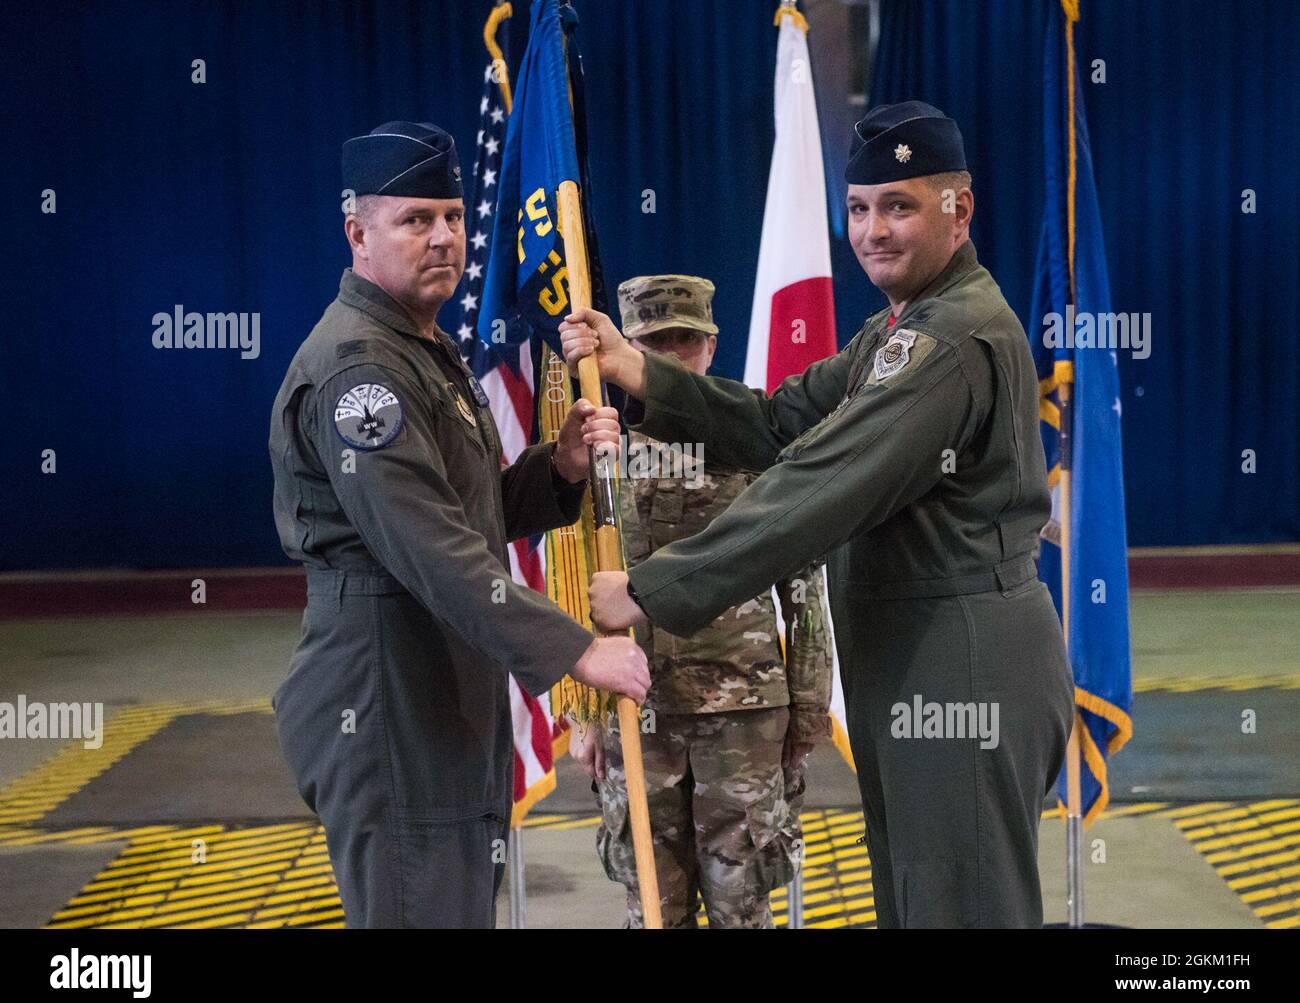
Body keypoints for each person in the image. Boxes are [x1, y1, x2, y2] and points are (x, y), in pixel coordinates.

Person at [561, 102, 1075, 929]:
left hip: (961, 659)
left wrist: (654, 589)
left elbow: (820, 487)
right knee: (923, 898)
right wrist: (642, 374)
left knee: (959, 904)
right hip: (921, 655)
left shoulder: (946, 343)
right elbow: (777, 423)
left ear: (960, 209)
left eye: (900, 206)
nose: (873, 230)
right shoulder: (898, 329)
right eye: (861, 207)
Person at [268, 121, 649, 929]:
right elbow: (433, 550)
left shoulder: (418, 348)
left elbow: (464, 511)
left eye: (451, 217)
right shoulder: (362, 370)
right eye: (414, 220)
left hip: (436, 687)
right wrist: (578, 649)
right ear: (357, 233)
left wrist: (561, 469)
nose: (442, 238)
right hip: (389, 691)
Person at [569, 274, 834, 928]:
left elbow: (803, 584)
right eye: (653, 343)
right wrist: (579, 711)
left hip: (742, 716)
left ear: (711, 346)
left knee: (742, 906)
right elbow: (575, 577)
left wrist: (809, 706)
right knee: (652, 910)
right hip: (637, 709)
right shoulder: (599, 447)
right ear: (623, 348)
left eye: (685, 340)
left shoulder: (755, 440)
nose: (670, 356)